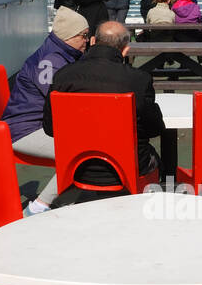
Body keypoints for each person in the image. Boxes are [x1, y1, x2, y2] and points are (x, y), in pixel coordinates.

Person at [40, 21, 164, 204]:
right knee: (155, 159)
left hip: (78, 167)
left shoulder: (63, 76)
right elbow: (154, 129)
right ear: (125, 50)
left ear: (92, 41)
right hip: (127, 168)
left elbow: (50, 128)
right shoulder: (138, 79)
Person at [0, 7, 91, 214]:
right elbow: (59, 103)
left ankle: (66, 196)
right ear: (69, 36)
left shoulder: (63, 53)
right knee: (80, 152)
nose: (87, 40)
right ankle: (38, 208)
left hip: (36, 124)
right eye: (84, 36)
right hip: (25, 131)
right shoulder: (50, 62)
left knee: (87, 144)